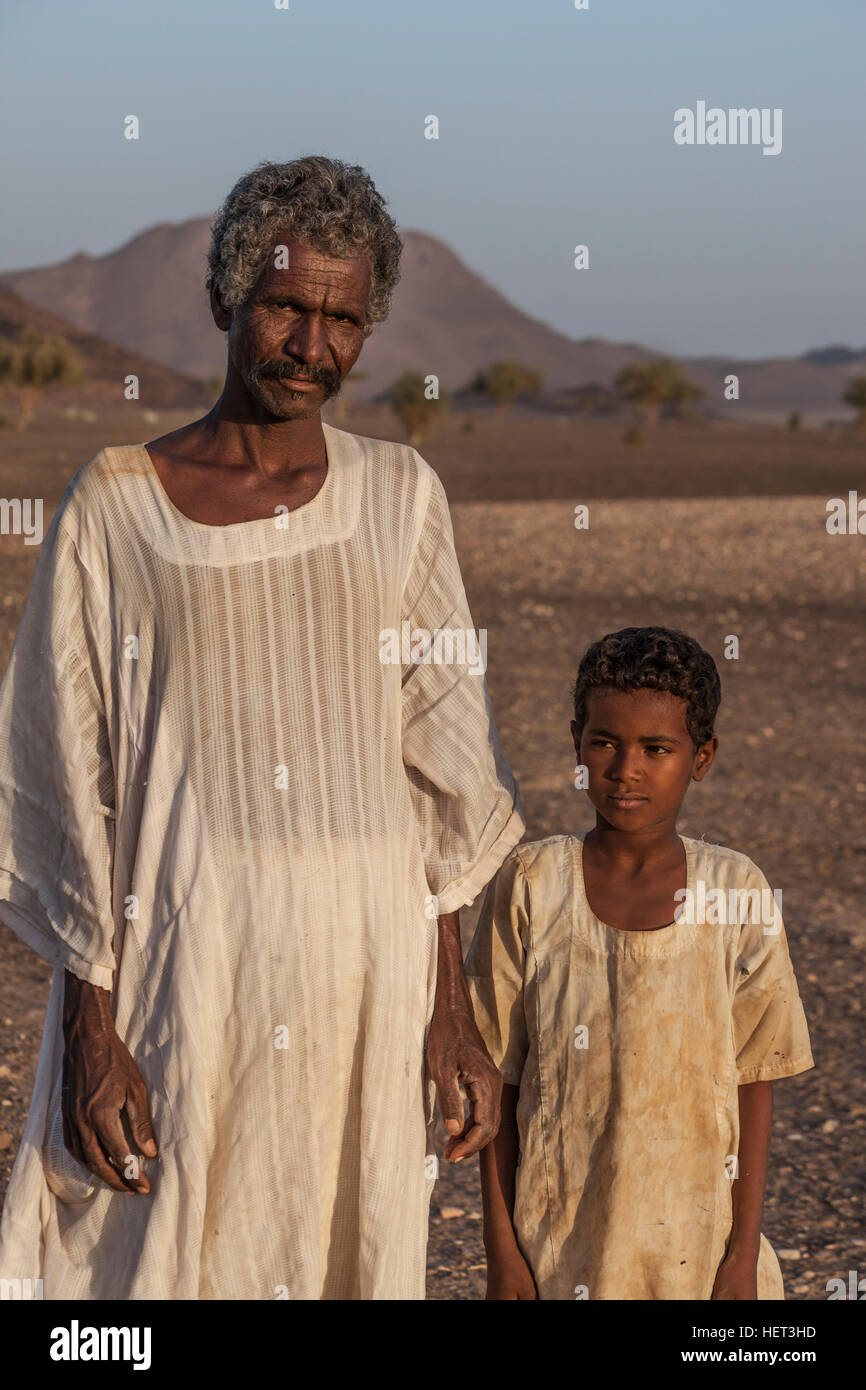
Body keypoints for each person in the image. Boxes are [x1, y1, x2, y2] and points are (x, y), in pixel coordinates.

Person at [0, 156, 524, 1299]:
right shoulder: (116, 504)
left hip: (364, 988)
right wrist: (92, 1029)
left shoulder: (400, 499)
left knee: (339, 1248)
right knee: (151, 1267)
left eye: (342, 319)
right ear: (226, 300)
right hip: (184, 977)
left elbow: (438, 773)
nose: (311, 344)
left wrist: (452, 1014)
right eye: (287, 306)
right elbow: (58, 776)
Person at [466, 626, 813, 1300]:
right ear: (577, 743)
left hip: (696, 1247)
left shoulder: (735, 890)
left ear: (701, 758)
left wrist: (740, 1257)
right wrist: (502, 1250)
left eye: (657, 749)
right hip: (558, 1248)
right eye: (605, 743)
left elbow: (755, 1076)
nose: (626, 768)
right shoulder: (534, 883)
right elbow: (500, 1078)